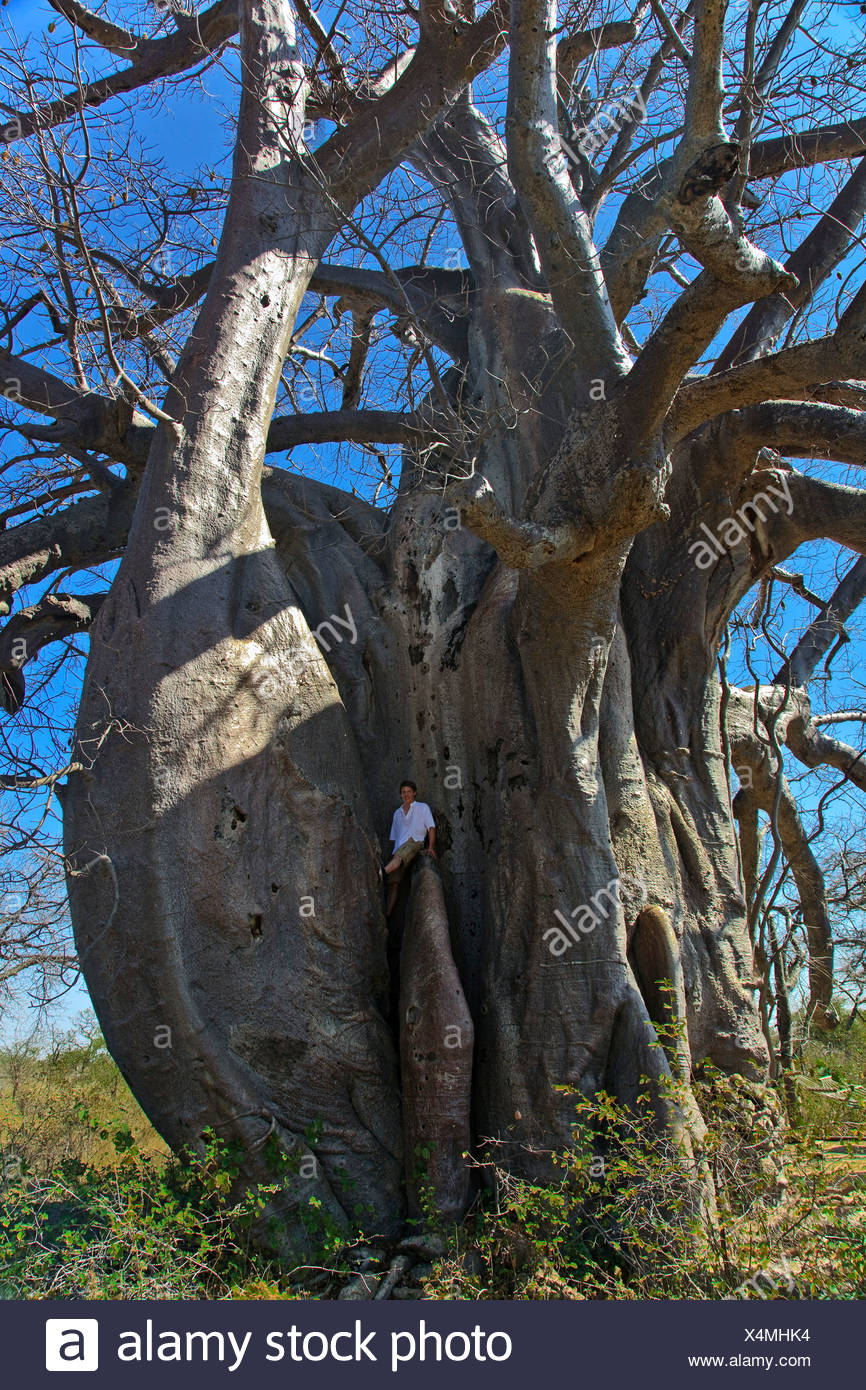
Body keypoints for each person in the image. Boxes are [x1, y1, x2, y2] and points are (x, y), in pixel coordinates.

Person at [384, 780, 436, 915]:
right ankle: (387, 915)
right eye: (403, 792)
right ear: (401, 795)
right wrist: (393, 852)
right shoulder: (397, 813)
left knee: (400, 857)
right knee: (393, 884)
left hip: (415, 842)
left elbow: (431, 827)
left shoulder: (422, 807)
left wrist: (430, 847)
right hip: (399, 849)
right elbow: (394, 837)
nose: (406, 794)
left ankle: (381, 873)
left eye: (408, 792)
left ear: (414, 793)